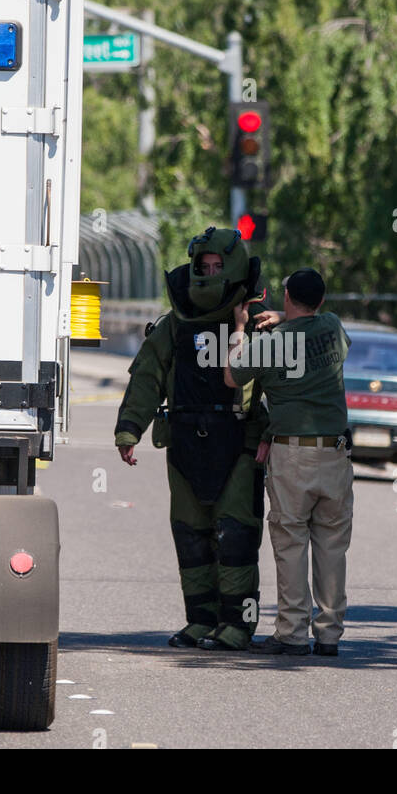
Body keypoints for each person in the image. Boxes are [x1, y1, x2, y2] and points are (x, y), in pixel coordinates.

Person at [114, 226, 270, 652]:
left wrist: (270, 434)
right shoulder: (174, 324)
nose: (209, 273)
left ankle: (237, 625)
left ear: (235, 268)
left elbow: (280, 386)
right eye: (204, 266)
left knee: (236, 535)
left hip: (238, 442)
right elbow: (148, 376)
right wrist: (130, 428)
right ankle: (201, 621)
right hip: (184, 439)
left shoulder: (259, 323)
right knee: (190, 535)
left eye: (219, 267)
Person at [224, 268, 353, 657]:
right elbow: (312, 322)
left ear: (286, 297)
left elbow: (232, 375)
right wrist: (288, 318)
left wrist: (240, 328)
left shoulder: (270, 345)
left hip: (292, 453)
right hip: (335, 453)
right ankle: (329, 634)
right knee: (332, 544)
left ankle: (293, 633)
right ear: (322, 300)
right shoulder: (332, 327)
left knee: (291, 540)